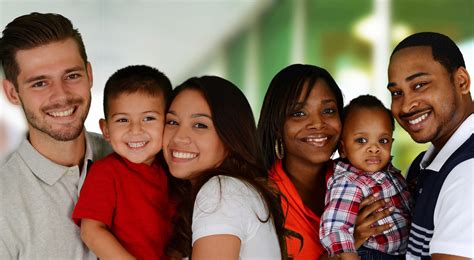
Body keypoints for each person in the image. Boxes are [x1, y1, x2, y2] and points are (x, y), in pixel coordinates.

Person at [0, 12, 112, 259]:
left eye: (72, 76)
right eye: (40, 83)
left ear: (89, 74)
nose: (61, 95)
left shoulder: (135, 157)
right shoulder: (3, 203)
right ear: (12, 93)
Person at [257, 64, 394, 259]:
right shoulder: (261, 200)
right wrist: (348, 243)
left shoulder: (364, 179)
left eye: (328, 111)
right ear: (277, 126)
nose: (318, 123)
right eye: (299, 113)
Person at [163, 76, 288, 259]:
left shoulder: (222, 191)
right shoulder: (234, 189)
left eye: (200, 125)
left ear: (230, 137)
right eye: (172, 122)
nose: (179, 137)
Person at [72, 65, 174, 259]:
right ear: (106, 129)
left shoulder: (174, 171)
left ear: (168, 123)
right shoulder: (106, 172)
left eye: (149, 118)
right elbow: (91, 231)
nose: (135, 130)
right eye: (122, 120)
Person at [387, 32, 473, 259]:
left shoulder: (469, 171)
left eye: (420, 85)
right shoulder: (422, 165)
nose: (406, 106)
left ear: (461, 81)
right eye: (396, 93)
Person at [319, 95, 411, 259]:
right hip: (371, 254)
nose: (374, 148)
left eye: (383, 140)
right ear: (343, 148)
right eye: (361, 140)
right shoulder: (348, 182)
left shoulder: (390, 173)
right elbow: (336, 227)